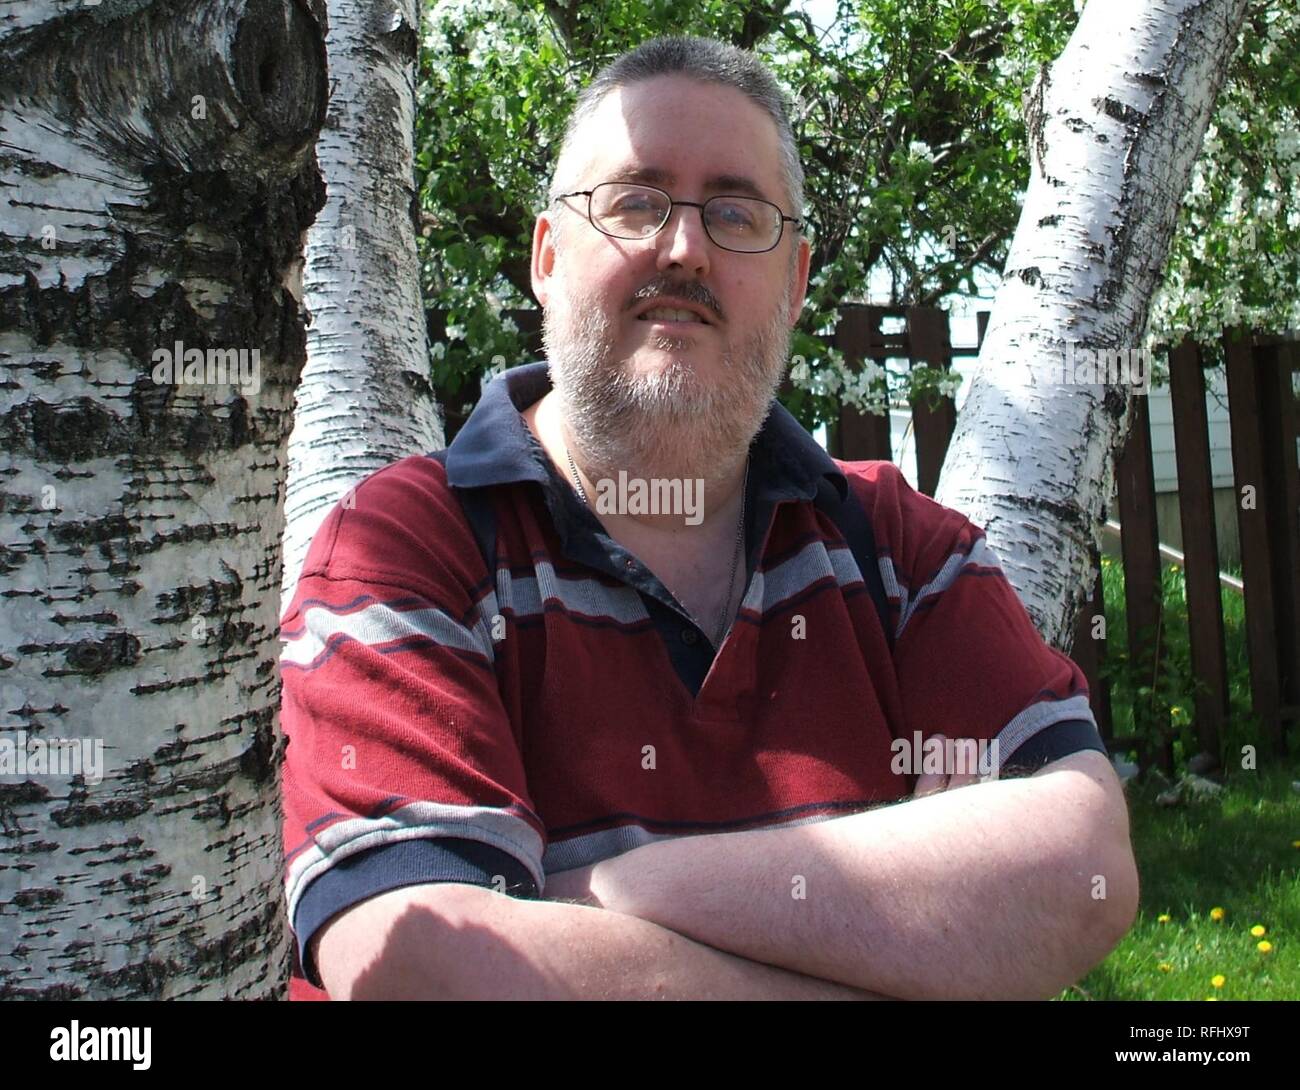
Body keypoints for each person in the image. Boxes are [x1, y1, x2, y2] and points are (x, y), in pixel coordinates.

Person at [279, 35, 1138, 1001]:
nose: (683, 248)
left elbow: (1079, 868)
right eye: (636, 201)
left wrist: (598, 889)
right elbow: (427, 965)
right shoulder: (402, 549)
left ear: (798, 278)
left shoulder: (900, 551)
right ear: (548, 258)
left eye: (735, 213)